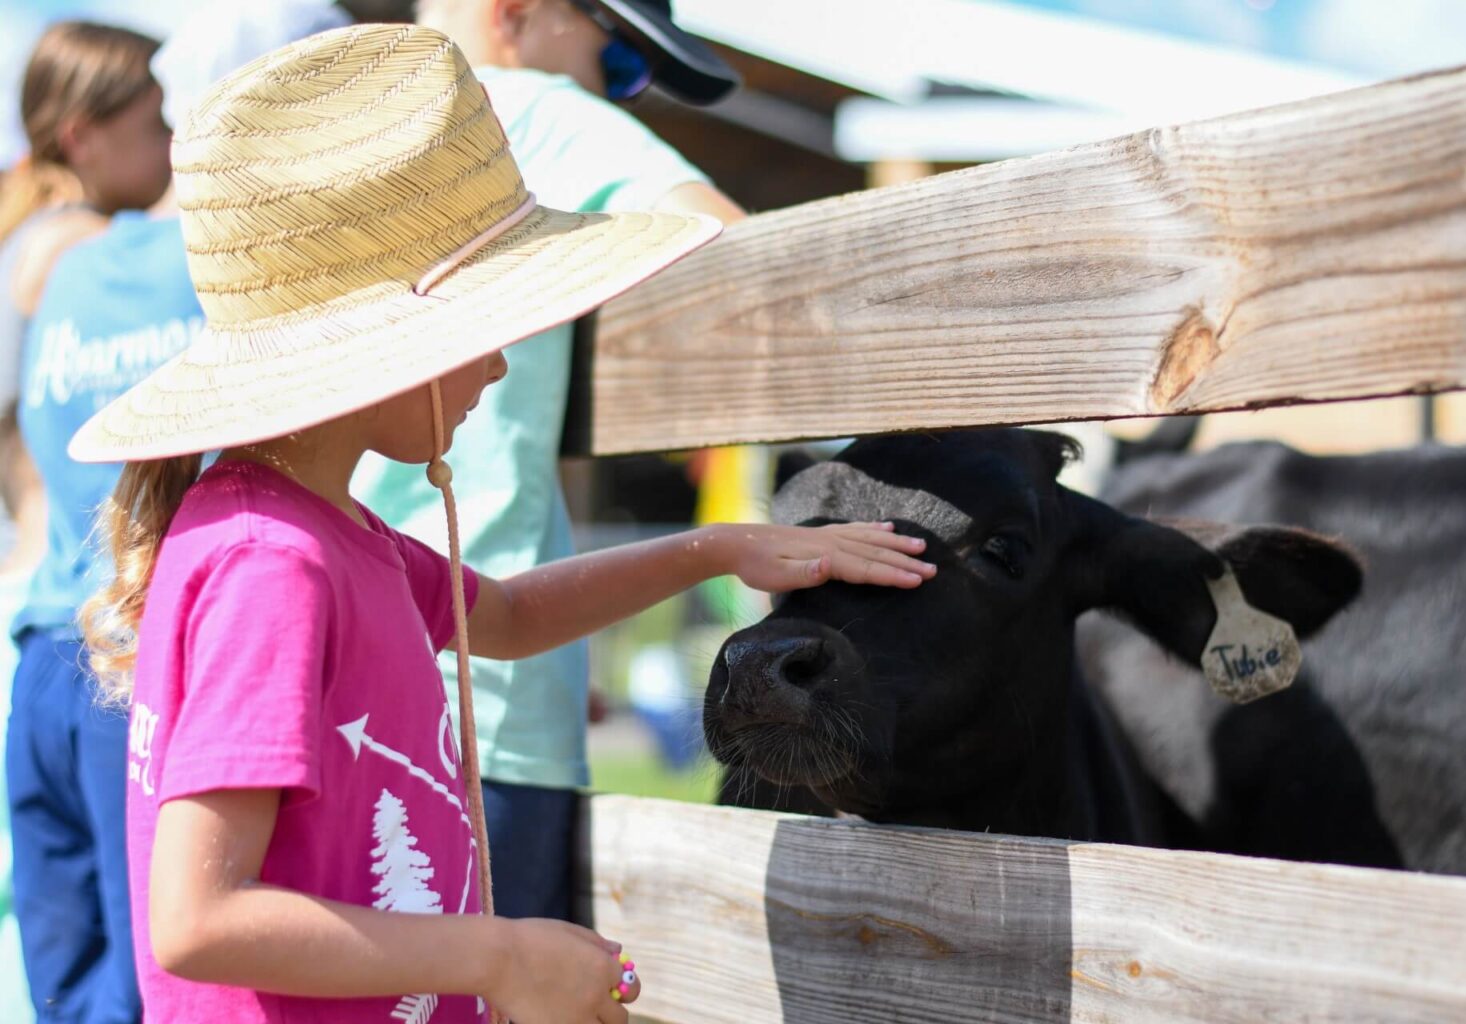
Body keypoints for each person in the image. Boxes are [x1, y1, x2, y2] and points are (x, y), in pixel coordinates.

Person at [72, 24, 932, 1023]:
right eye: (483, 329)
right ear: (385, 342)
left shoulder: (320, 528)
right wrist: (502, 954)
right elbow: (199, 918)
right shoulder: (276, 563)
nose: (499, 366)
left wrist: (720, 548)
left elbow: (511, 615)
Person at [374, 0, 744, 921]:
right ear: (518, 15)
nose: (620, 95)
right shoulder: (529, 107)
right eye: (617, 66)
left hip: (347, 673)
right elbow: (733, 243)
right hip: (488, 696)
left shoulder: (356, 136)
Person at [1, 20, 172, 1024]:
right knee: (153, 968)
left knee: (64, 980)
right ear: (83, 135)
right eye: (155, 120)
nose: (173, 142)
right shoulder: (137, 261)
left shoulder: (21, 262)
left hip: (37, 647)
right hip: (122, 647)